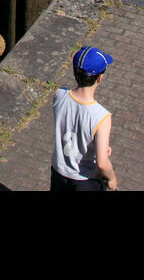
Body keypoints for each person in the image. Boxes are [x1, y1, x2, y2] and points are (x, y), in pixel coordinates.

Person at [50, 46, 117, 191]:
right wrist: (112, 178)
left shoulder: (59, 95)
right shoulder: (102, 116)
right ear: (100, 78)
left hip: (58, 172)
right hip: (84, 180)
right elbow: (102, 163)